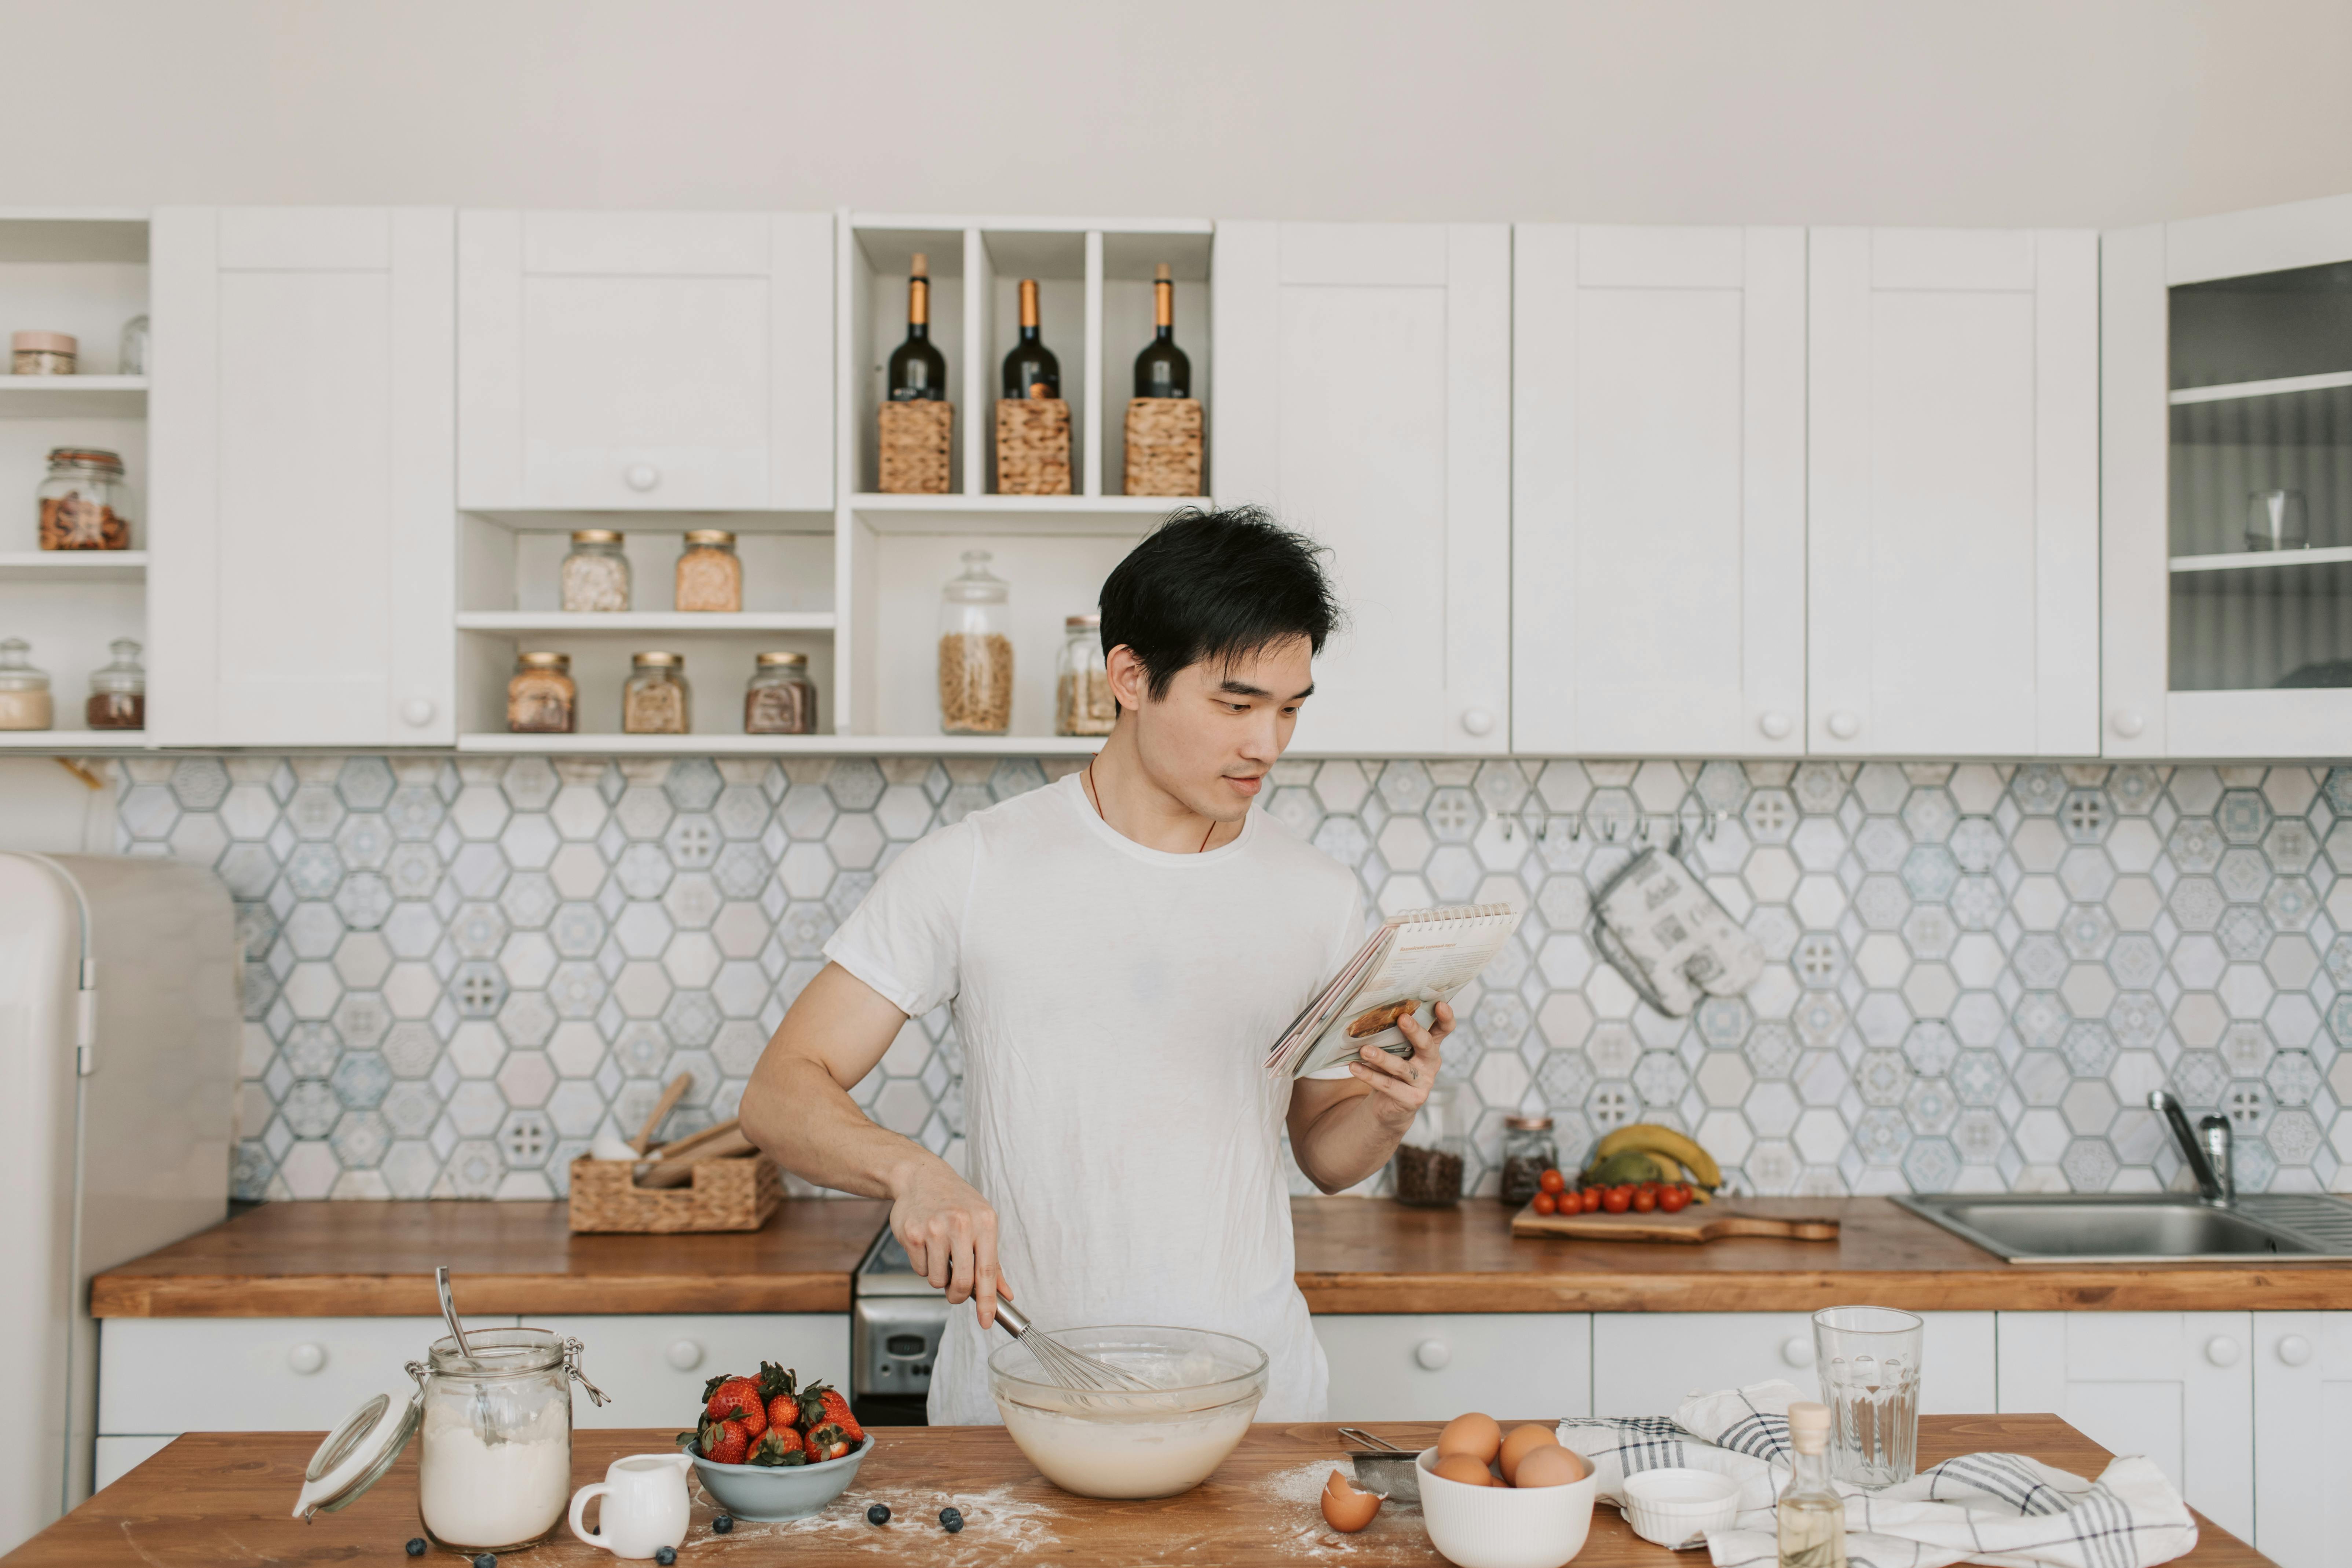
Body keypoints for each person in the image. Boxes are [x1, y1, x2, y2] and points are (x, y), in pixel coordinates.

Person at [738, 506, 1454, 1423]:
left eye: (1289, 709)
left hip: (1255, 1409)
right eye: (1235, 705)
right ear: (1129, 676)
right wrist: (908, 1170)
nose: (1266, 745)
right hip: (1020, 1406)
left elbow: (1326, 1153)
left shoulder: (1318, 894)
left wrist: (1388, 1112)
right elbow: (780, 1093)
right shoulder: (976, 865)